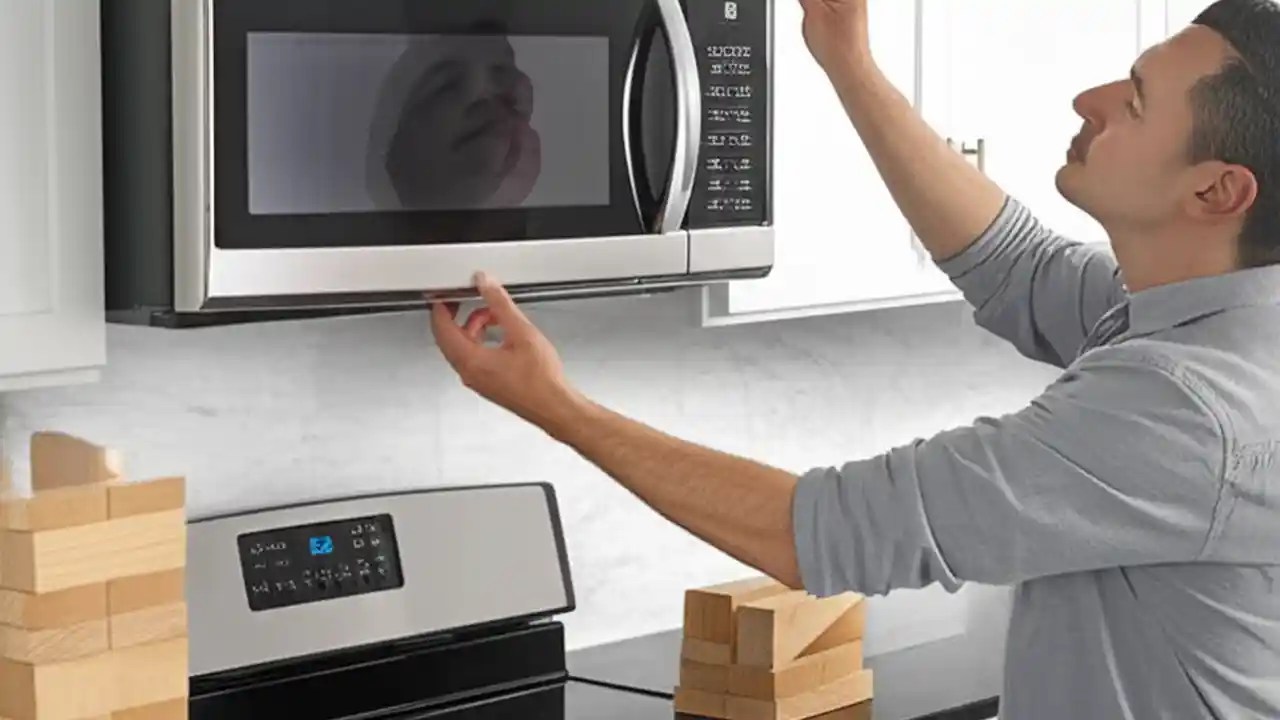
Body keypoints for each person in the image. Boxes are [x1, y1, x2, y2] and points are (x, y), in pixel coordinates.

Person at [429, 0, 1280, 717]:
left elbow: (820, 531)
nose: (1087, 99)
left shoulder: (1183, 408)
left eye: (1134, 102)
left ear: (1215, 190)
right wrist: (848, 60)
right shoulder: (1213, 323)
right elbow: (1017, 265)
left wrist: (553, 404)